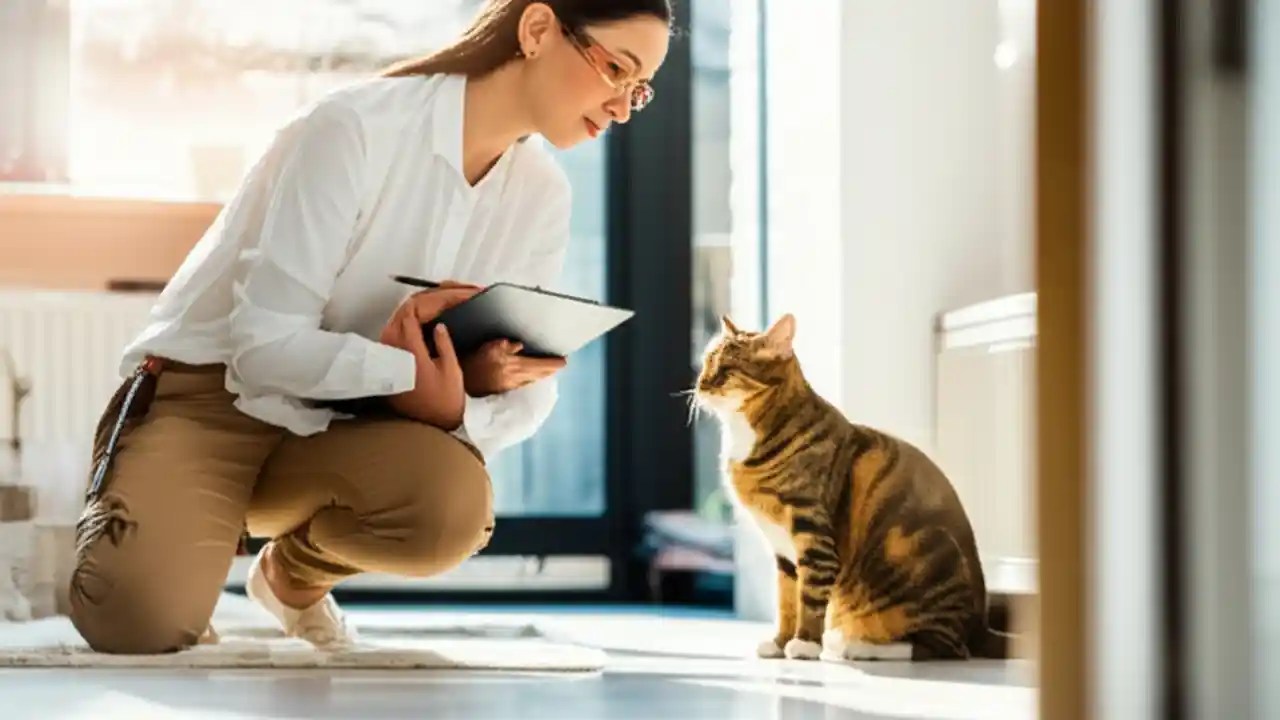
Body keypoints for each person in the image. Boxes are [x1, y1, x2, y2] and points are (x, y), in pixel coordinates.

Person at [68, 0, 672, 654]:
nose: (620, 105)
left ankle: (291, 578)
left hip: (347, 426)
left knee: (451, 508)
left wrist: (455, 402)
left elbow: (531, 396)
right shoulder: (353, 128)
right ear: (536, 30)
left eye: (637, 90)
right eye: (616, 68)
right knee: (137, 619)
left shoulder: (541, 193)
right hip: (210, 400)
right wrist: (409, 376)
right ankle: (156, 534)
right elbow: (264, 346)